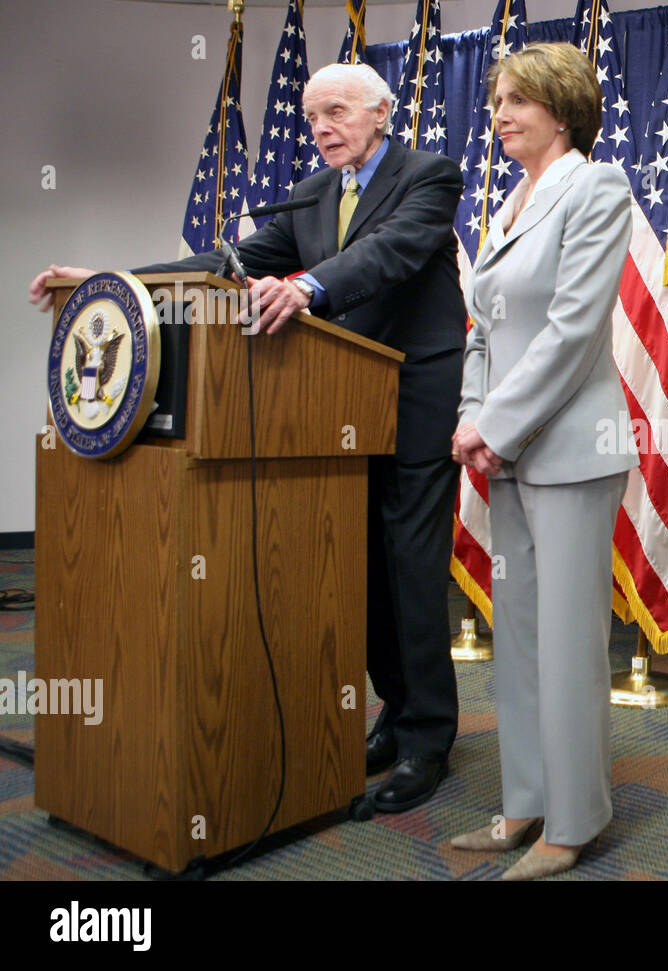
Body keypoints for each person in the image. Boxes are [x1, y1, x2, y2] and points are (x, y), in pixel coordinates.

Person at [30, 63, 466, 813]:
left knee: (410, 565)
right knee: (359, 567)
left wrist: (305, 287)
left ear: (381, 113)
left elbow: (389, 252)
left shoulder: (431, 175)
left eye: (336, 112)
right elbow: (229, 262)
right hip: (336, 404)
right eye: (313, 116)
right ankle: (396, 709)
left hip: (414, 399)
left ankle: (430, 736)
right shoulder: (313, 192)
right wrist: (114, 278)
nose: (322, 128)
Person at [450, 42, 636, 880]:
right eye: (496, 103)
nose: (501, 115)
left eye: (518, 100)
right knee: (518, 638)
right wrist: (469, 419)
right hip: (508, 453)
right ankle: (525, 800)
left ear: (563, 110)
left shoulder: (595, 186)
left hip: (568, 451)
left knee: (566, 642)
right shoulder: (513, 201)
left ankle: (574, 822)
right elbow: (486, 330)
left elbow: (572, 329)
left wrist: (495, 424)